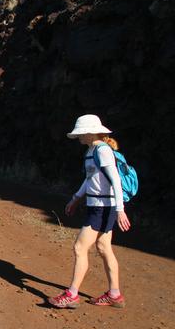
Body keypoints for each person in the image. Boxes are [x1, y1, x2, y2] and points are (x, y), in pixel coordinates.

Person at [48, 114, 132, 309]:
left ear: (90, 133)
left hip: (103, 208)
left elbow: (116, 181)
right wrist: (76, 198)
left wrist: (120, 210)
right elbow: (90, 180)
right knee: (103, 248)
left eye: (80, 133)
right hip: (98, 206)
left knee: (80, 247)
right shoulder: (91, 151)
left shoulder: (103, 151)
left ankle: (72, 294)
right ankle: (114, 295)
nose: (78, 137)